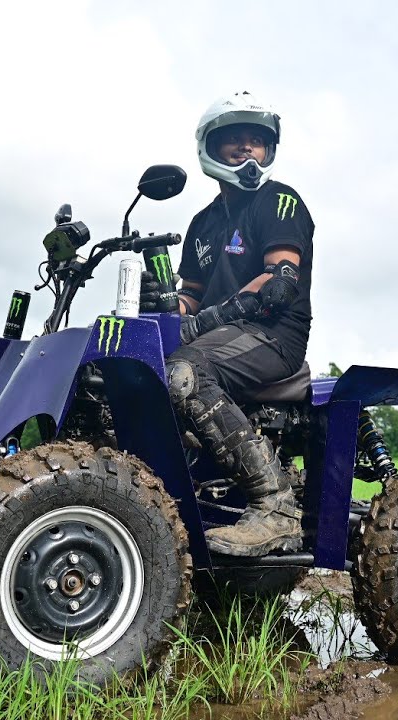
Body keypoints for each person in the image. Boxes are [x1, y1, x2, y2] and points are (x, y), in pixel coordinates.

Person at [139, 91, 315, 556]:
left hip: (272, 337)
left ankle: (275, 506)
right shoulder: (203, 223)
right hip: (217, 337)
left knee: (186, 373)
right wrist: (160, 307)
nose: (246, 149)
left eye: (256, 141)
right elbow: (191, 296)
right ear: (210, 149)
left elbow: (280, 279)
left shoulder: (279, 201)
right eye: (234, 140)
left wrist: (208, 319)